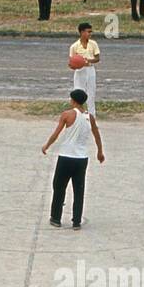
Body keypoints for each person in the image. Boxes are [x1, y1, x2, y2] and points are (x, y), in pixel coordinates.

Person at [41, 88, 106, 230]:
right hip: (81, 158)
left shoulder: (67, 115)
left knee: (59, 187)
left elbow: (56, 134)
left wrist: (47, 145)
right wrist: (100, 152)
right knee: (78, 189)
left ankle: (56, 218)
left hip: (66, 156)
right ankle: (76, 221)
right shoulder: (90, 117)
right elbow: (96, 135)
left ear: (73, 100)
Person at [69, 23, 100, 114]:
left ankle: (91, 116)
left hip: (90, 70)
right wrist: (76, 65)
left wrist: (87, 61)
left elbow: (97, 58)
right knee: (78, 93)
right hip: (80, 71)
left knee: (91, 94)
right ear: (82, 32)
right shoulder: (74, 46)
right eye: (88, 32)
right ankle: (78, 115)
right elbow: (71, 63)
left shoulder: (93, 44)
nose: (90, 34)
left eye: (91, 32)